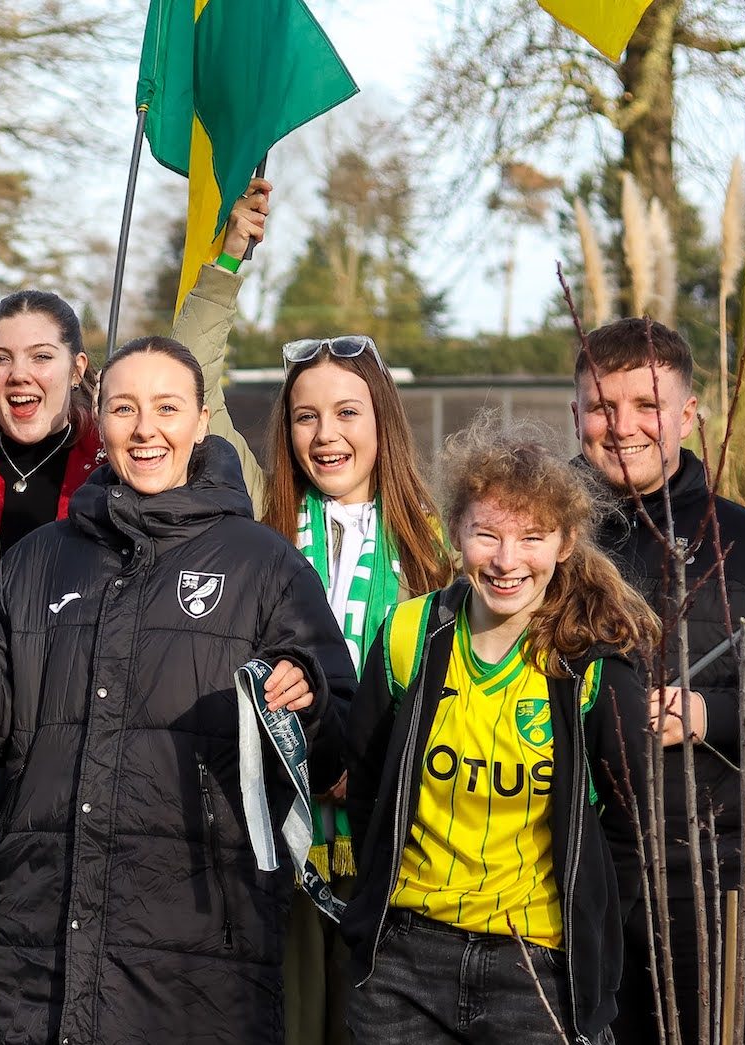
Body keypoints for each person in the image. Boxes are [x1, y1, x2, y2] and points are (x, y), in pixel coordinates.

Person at [0, 336, 355, 1044]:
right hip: (39, 946)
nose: (146, 429)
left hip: (201, 961)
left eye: (167, 407)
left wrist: (308, 705)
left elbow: (333, 746)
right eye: (125, 408)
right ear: (99, 420)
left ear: (201, 421)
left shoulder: (267, 565)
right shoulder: (37, 561)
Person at [0, 181, 274, 1038]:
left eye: (41, 354)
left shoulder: (118, 466)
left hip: (91, 773)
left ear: (81, 370)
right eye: (0, 357)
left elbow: (191, 379)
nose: (18, 373)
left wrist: (223, 263)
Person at [571, 318, 745, 1045]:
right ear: (576, 414)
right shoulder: (539, 540)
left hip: (714, 875)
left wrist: (706, 714)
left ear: (688, 416)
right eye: (601, 405)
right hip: (565, 874)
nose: (622, 425)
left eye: (646, 405)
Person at [341, 415, 658, 1045]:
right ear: (455, 534)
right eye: (487, 535)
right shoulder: (410, 635)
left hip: (538, 968)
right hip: (404, 959)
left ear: (565, 543)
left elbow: (627, 826)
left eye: (532, 537)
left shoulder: (591, 664)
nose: (508, 561)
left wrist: (588, 938)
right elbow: (367, 787)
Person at [257, 334, 452, 1045]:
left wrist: (365, 767)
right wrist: (224, 269)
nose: (326, 434)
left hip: (392, 847)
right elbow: (198, 389)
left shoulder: (435, 550)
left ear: (382, 423)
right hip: (277, 840)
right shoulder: (261, 536)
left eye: (347, 412)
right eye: (306, 417)